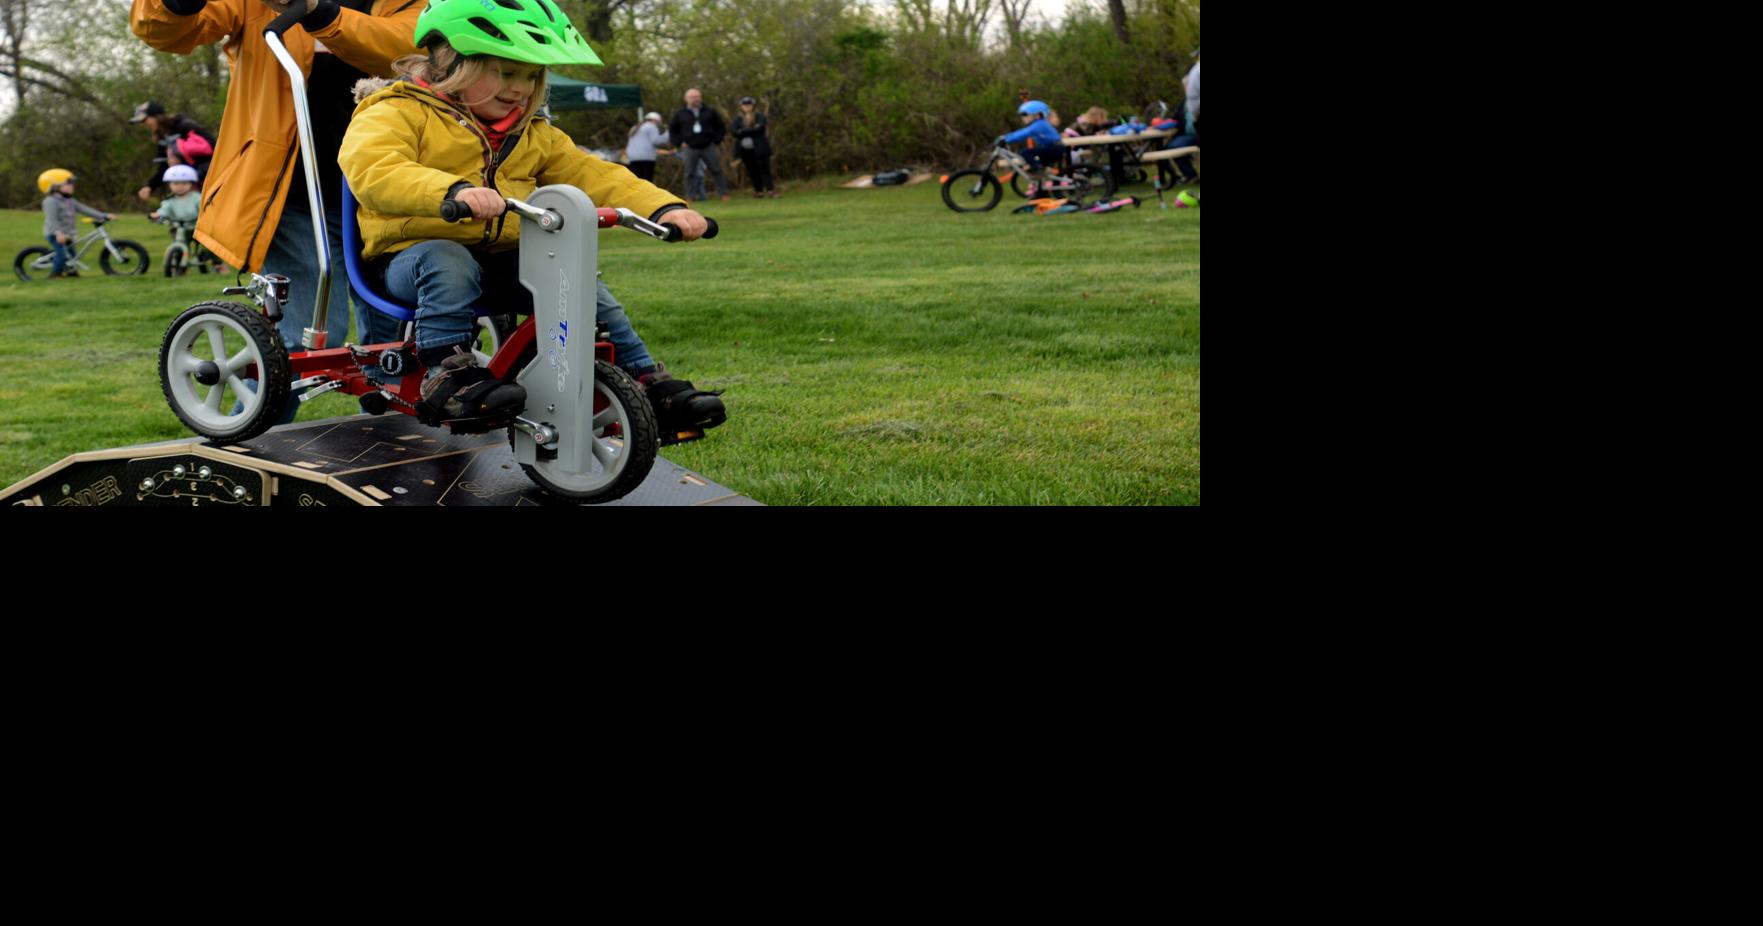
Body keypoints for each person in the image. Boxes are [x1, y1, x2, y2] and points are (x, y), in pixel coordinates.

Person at [337, 0, 727, 435]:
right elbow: (376, 169)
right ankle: (448, 372)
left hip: (499, 260)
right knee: (446, 258)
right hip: (408, 260)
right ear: (453, 63)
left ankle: (643, 378)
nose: (520, 88)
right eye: (505, 72)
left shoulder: (531, 132)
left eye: (530, 75)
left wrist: (665, 207)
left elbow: (591, 173)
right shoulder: (394, 112)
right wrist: (453, 192)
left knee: (574, 275)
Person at [131, 0, 423, 425]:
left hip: (383, 193)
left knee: (393, 335)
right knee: (309, 336)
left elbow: (408, 47)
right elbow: (169, 30)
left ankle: (392, 437)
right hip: (289, 193)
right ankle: (248, 445)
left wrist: (319, 12)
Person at [130, 101, 217, 201]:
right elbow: (164, 166)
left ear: (157, 116)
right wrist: (150, 186)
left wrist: (182, 153)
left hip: (211, 175)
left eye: (144, 120)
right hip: (192, 183)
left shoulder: (184, 125)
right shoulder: (162, 138)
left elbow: (214, 147)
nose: (142, 124)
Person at [38, 169, 115, 279]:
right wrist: (58, 234)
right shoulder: (50, 202)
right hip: (55, 233)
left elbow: (85, 209)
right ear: (55, 186)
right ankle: (55, 274)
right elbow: (52, 220)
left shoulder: (69, 201)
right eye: (68, 183)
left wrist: (103, 215)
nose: (72, 186)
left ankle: (71, 273)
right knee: (62, 254)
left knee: (73, 255)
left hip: (68, 233)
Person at [668, 88, 730, 202]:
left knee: (717, 170)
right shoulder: (680, 114)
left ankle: (724, 194)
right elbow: (672, 129)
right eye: (692, 97)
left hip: (708, 146)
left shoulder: (710, 111)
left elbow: (721, 126)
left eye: (697, 96)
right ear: (686, 99)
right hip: (689, 148)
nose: (695, 99)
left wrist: (716, 140)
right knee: (689, 172)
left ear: (701, 98)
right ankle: (690, 196)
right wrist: (679, 143)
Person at [997, 99, 1064, 172]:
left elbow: (1024, 133)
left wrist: (1006, 139)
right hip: (1053, 148)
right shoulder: (1038, 124)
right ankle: (1038, 171)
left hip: (1054, 149)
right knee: (1034, 164)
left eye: (1025, 114)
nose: (1022, 117)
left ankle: (1037, 168)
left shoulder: (1039, 125)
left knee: (1025, 152)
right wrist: (1006, 137)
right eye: (1021, 115)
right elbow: (1022, 132)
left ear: (1038, 115)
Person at [731, 95, 777, 198]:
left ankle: (770, 190)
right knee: (753, 171)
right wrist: (750, 129)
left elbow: (760, 129)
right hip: (746, 151)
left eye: (749, 104)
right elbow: (734, 131)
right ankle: (758, 191)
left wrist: (742, 131)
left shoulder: (759, 116)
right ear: (741, 106)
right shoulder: (738, 119)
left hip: (760, 149)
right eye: (745, 105)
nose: (747, 107)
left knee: (765, 170)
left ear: (753, 105)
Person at [625, 111, 669, 182]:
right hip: (646, 158)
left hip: (632, 158)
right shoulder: (651, 126)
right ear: (655, 120)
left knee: (636, 180)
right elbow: (656, 141)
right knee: (647, 181)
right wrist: (668, 134)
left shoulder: (634, 127)